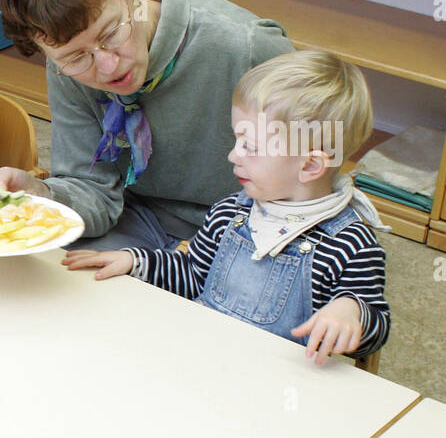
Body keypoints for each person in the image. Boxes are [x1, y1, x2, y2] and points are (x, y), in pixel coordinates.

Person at [63, 50, 391, 365]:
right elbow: (192, 276)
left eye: (251, 147)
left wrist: (352, 311)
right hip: (201, 358)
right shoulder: (229, 213)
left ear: (309, 166)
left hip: (279, 389)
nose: (234, 155)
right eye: (237, 140)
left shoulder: (351, 244)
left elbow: (375, 332)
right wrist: (134, 259)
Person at [0, 0, 293, 250]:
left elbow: (325, 148)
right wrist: (44, 195)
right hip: (136, 219)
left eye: (111, 34)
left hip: (245, 227)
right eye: (75, 57)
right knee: (45, 275)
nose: (108, 66)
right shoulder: (66, 67)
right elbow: (92, 190)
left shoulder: (247, 46)